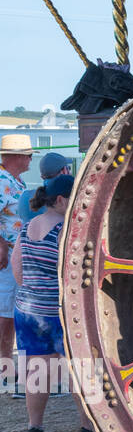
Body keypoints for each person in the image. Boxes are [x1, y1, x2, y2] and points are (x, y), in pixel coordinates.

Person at [11, 174, 92, 432]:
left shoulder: (27, 227)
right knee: (78, 368)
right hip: (57, 312)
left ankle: (35, 425)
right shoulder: (64, 231)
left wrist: (32, 291)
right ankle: (87, 426)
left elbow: (17, 266)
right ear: (61, 200)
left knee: (37, 371)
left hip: (27, 310)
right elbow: (74, 274)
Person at [0, 133, 35, 393]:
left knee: (9, 315)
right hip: (6, 257)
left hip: (14, 254)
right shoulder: (2, 181)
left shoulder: (13, 180)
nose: (30, 158)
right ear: (15, 157)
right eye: (27, 154)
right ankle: (4, 371)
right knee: (4, 316)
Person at [17, 151, 70, 222]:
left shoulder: (25, 197)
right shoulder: (65, 200)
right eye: (68, 168)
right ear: (64, 171)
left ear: (42, 176)